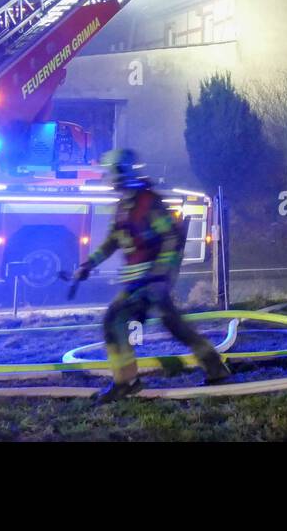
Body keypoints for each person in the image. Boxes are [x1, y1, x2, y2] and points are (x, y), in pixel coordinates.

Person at [74, 149, 230, 404]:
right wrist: (88, 265)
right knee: (173, 325)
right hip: (139, 279)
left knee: (115, 320)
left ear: (121, 171)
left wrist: (160, 274)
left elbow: (172, 238)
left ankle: (126, 383)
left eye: (110, 173)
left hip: (151, 280)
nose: (108, 179)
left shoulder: (148, 202)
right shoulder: (125, 205)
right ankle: (214, 367)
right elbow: (113, 241)